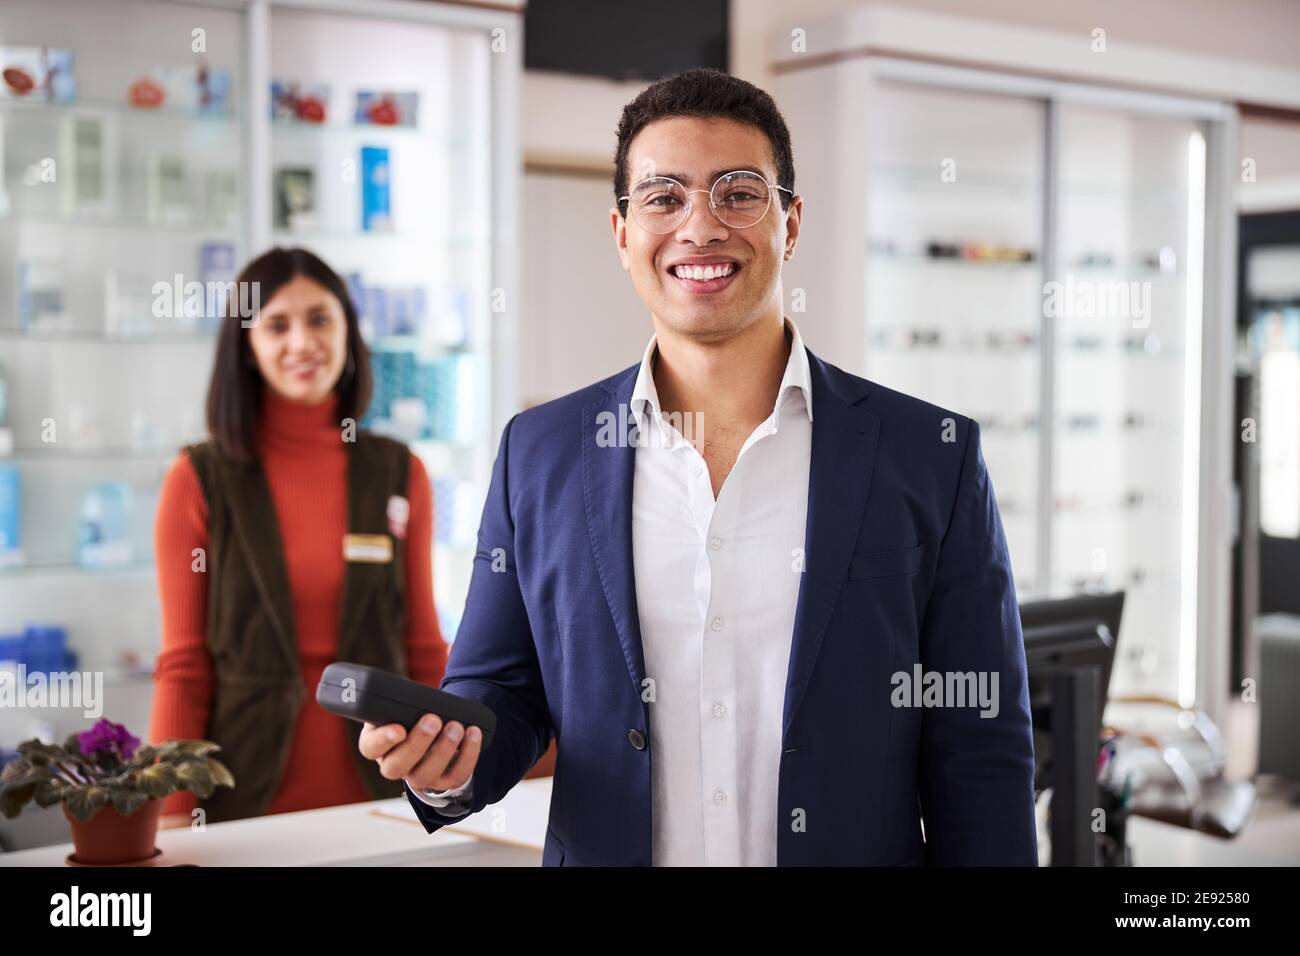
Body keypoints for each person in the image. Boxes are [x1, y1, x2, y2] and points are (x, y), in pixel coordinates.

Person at [359, 68, 1038, 865]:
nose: (700, 226)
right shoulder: (539, 454)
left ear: (790, 222)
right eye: (663, 197)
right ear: (622, 233)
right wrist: (446, 765)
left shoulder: (929, 456)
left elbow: (981, 752)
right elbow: (501, 697)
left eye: (739, 193)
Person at [150, 247, 450, 827]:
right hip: (241, 805)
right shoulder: (199, 479)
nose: (302, 343)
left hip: (381, 801)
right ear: (247, 345)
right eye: (277, 325)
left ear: (347, 330)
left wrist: (452, 783)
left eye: (319, 318)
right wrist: (170, 815)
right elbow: (184, 668)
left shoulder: (397, 471)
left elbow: (423, 650)